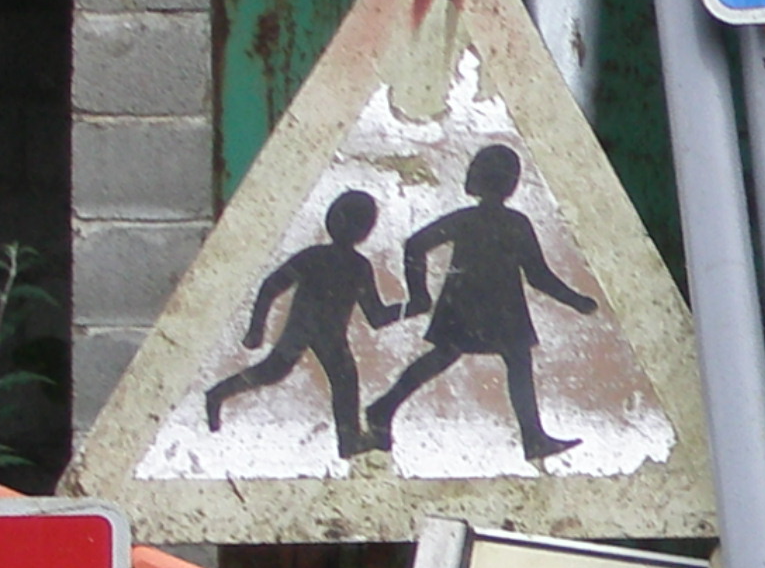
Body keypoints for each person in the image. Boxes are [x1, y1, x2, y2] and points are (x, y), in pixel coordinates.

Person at [368, 142, 598, 463]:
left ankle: (385, 407)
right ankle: (532, 437)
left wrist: (419, 293)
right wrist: (575, 300)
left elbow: (416, 245)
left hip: (481, 304)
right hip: (491, 307)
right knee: (498, 359)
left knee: (458, 356)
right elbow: (538, 275)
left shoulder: (481, 220)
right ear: (510, 182)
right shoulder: (511, 222)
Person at [201, 187, 396, 460]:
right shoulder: (322, 259)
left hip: (327, 333)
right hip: (307, 328)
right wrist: (256, 328)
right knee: (279, 372)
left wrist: (411, 308)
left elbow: (375, 315)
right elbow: (271, 286)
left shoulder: (354, 265)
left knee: (336, 379)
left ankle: (349, 439)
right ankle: (217, 394)